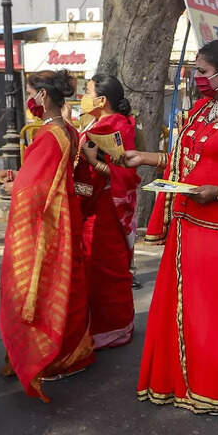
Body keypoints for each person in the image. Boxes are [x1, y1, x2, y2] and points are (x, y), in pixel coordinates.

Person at [120, 29, 218, 414]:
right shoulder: (201, 112)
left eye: (201, 70)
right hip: (189, 223)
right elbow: (185, 162)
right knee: (185, 308)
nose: (195, 78)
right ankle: (181, 384)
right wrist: (145, 157)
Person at [0, 70, 94, 402]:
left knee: (40, 288)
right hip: (67, 218)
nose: (29, 99)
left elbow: (33, 188)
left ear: (44, 97)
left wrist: (12, 186)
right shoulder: (68, 131)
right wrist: (10, 174)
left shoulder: (49, 136)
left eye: (31, 92)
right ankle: (74, 354)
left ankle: (49, 356)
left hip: (48, 225)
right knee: (70, 285)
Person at [75, 74, 140, 349]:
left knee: (107, 269)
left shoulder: (114, 126)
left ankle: (114, 328)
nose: (83, 96)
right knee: (96, 268)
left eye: (87, 91)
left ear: (101, 100)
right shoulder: (97, 122)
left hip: (106, 209)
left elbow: (121, 174)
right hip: (94, 204)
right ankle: (104, 325)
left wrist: (91, 160)